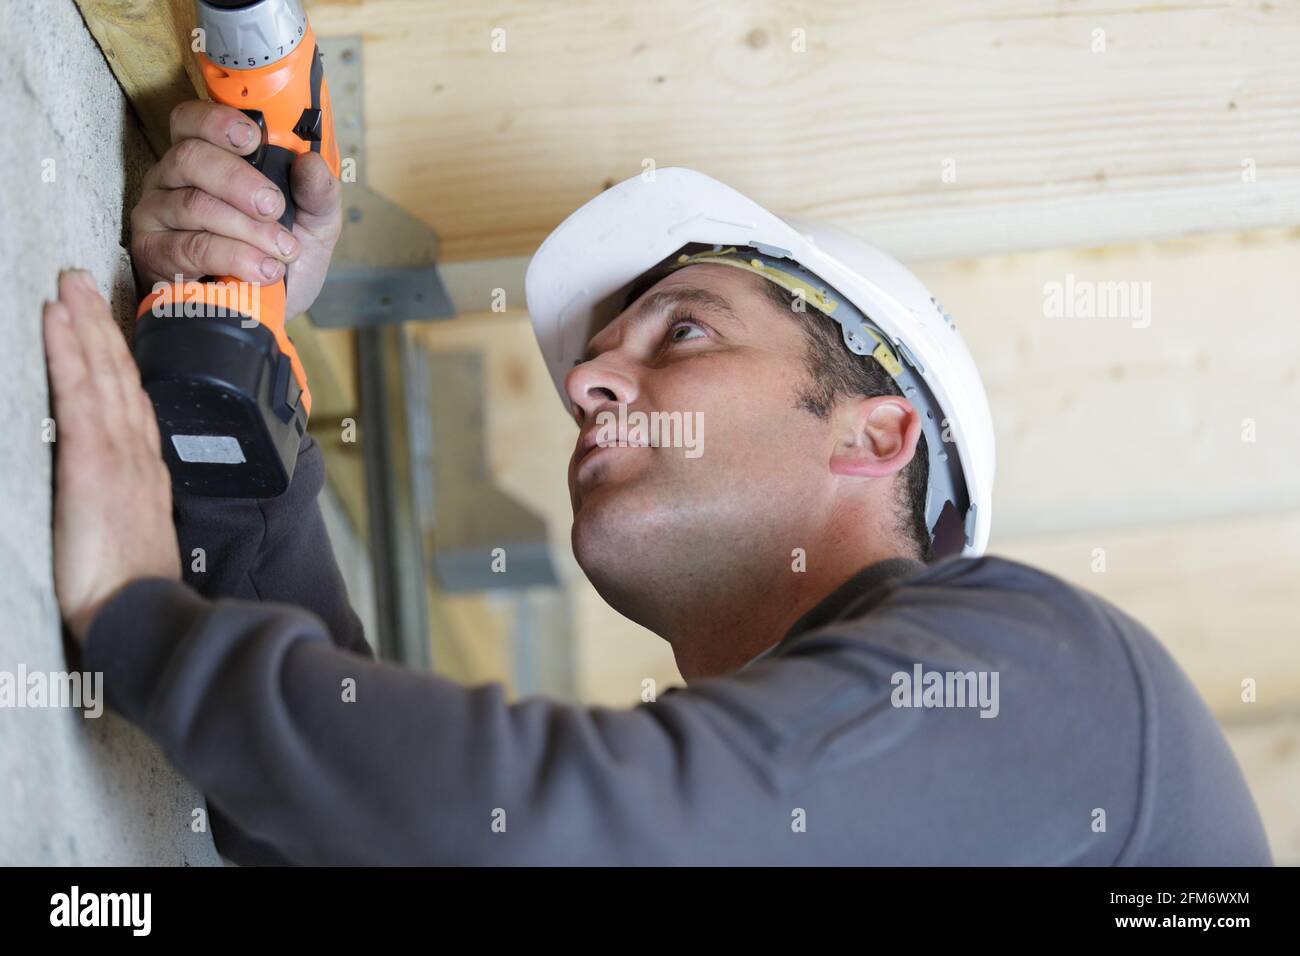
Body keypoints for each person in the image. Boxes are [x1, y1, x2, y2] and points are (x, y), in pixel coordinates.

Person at [41, 100, 1272, 865]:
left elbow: (553, 826)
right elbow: (355, 837)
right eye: (596, 355)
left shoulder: (1050, 675)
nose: (585, 384)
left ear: (874, 434)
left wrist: (136, 613)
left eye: (682, 332)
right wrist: (233, 337)